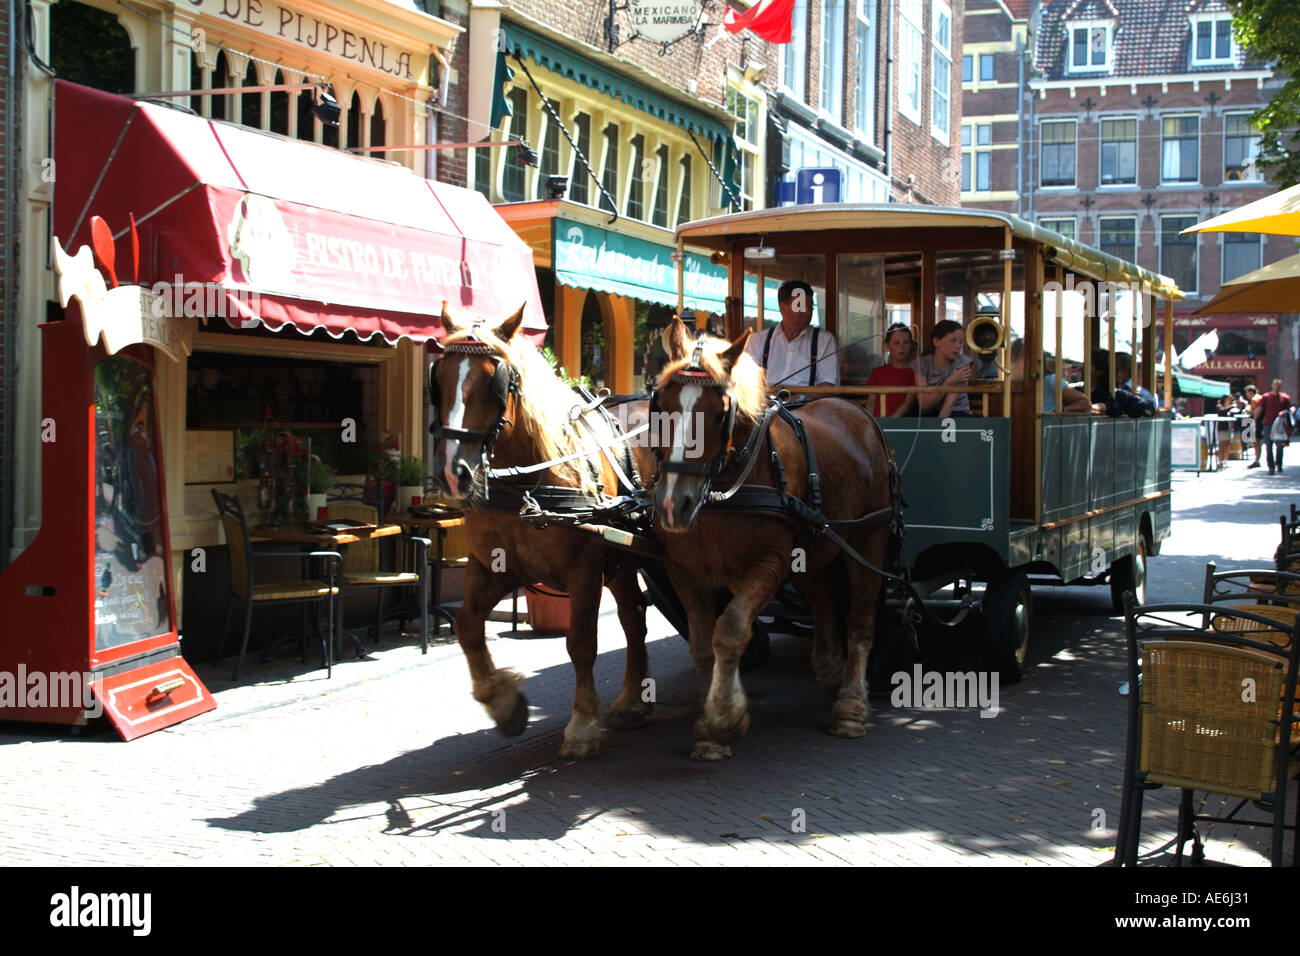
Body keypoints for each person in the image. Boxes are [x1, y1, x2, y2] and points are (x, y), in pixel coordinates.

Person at [744, 280, 839, 387]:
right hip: (766, 402)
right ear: (782, 307)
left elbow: (828, 385)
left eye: (810, 308)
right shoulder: (758, 340)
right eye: (801, 306)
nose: (808, 312)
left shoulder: (824, 340)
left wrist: (801, 397)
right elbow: (746, 380)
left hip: (810, 402)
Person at [1009, 338, 1090, 412]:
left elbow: (1085, 403)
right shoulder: (1005, 382)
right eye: (1024, 356)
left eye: (1034, 356)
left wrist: (1057, 412)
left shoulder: (1050, 381)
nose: (1030, 360)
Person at [916, 319, 973, 417]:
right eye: (953, 341)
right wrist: (950, 382)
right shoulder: (922, 363)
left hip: (958, 414)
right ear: (936, 341)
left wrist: (938, 429)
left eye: (961, 342)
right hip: (929, 414)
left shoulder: (963, 363)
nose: (958, 346)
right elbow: (924, 404)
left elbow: (949, 403)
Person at [865, 323, 918, 417]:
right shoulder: (877, 372)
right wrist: (870, 422)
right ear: (887, 346)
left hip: (900, 424)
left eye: (906, 343)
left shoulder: (915, 373)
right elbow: (871, 402)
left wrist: (890, 422)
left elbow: (908, 404)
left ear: (910, 345)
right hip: (877, 423)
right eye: (896, 343)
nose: (902, 347)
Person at [1258, 378, 1293, 475]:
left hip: (1280, 426)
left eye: (1278, 385)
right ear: (1272, 385)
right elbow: (1260, 410)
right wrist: (1254, 421)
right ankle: (1271, 467)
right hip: (1268, 424)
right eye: (1275, 384)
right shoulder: (1265, 397)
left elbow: (1289, 410)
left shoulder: (1285, 398)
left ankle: (1279, 464)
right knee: (1268, 447)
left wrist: (1284, 412)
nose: (1277, 386)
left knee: (1280, 446)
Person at [1245, 383, 1263, 468]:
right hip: (1260, 421)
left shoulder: (1254, 399)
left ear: (1250, 392)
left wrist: (1248, 411)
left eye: (1247, 393)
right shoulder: (1260, 397)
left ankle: (1256, 460)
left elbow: (1255, 411)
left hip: (1255, 421)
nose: (1247, 395)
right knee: (1257, 442)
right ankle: (1257, 459)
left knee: (1255, 442)